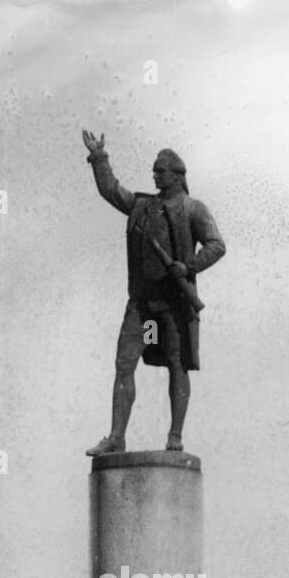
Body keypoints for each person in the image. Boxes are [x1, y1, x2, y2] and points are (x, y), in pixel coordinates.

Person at [82, 130, 225, 455]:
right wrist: (99, 157)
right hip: (143, 309)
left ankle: (175, 435)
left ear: (177, 175)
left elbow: (217, 245)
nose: (154, 175)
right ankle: (116, 436)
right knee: (124, 364)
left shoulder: (193, 209)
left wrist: (188, 266)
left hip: (173, 307)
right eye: (154, 171)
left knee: (177, 365)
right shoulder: (142, 206)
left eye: (160, 171)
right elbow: (111, 191)